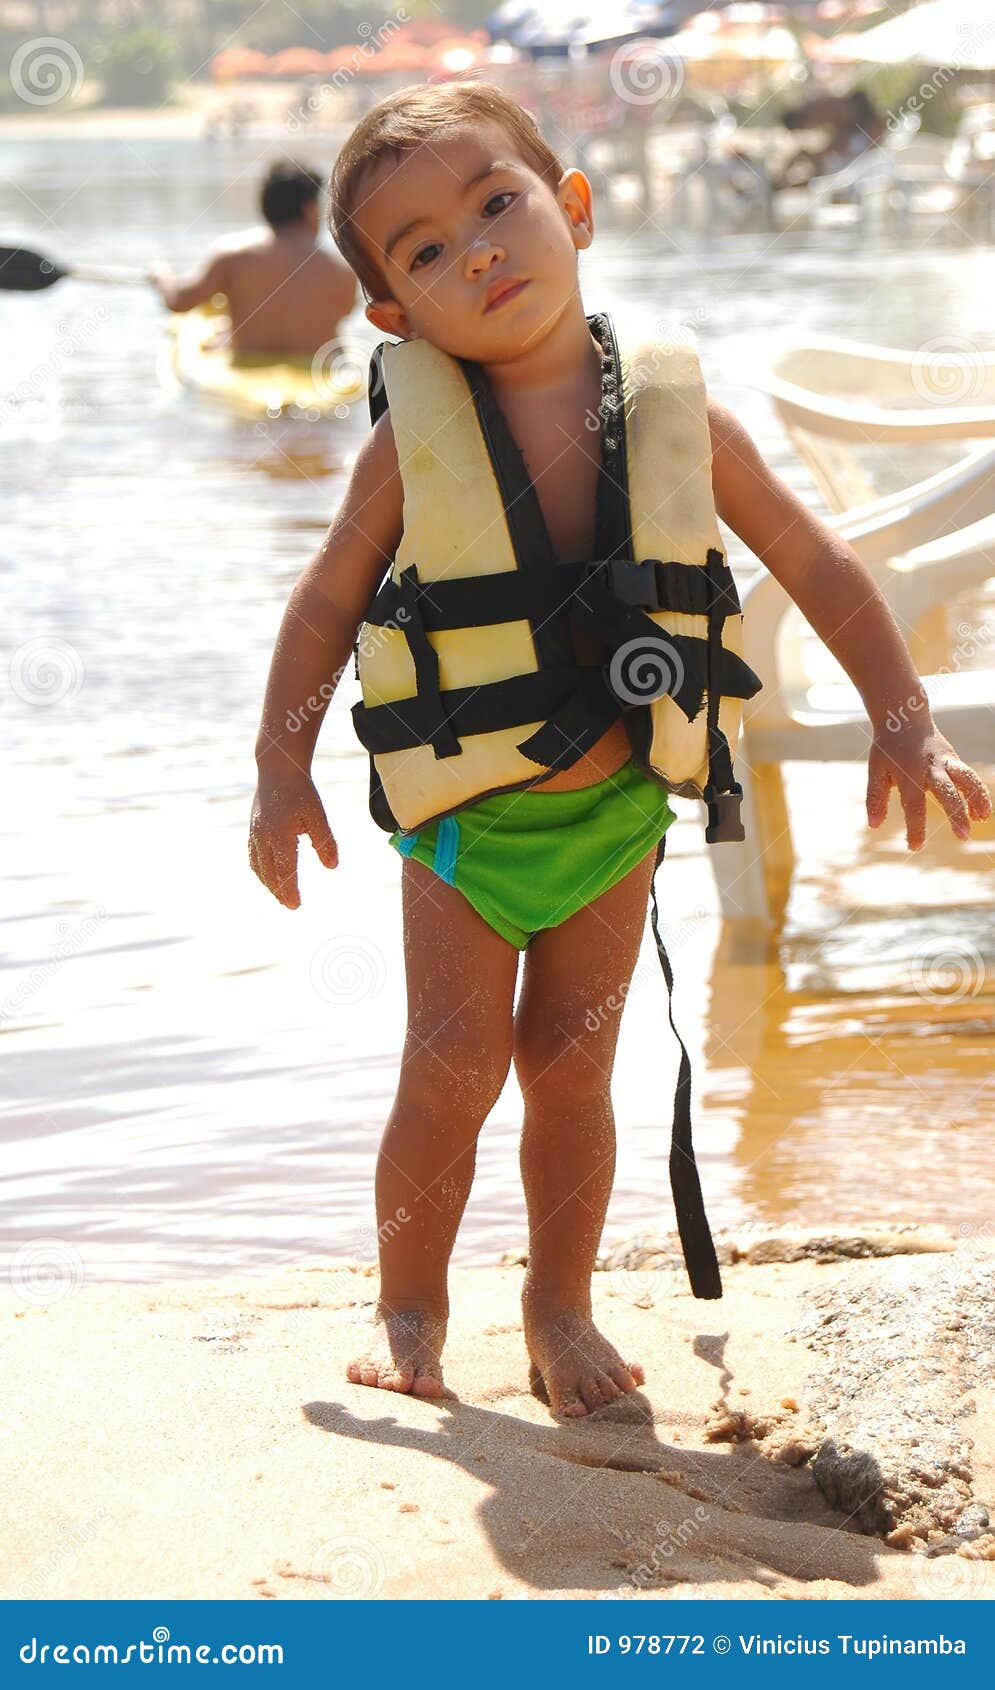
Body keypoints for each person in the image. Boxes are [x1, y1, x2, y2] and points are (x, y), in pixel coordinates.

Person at [247, 83, 991, 1418]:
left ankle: (558, 1303)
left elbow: (815, 562)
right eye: (422, 249)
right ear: (391, 316)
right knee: (449, 1064)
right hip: (467, 827)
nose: (474, 246)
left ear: (569, 207)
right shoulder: (407, 450)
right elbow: (319, 606)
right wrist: (277, 768)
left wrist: (898, 710)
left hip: (612, 829)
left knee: (573, 1070)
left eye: (496, 202)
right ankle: (409, 1302)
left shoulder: (672, 419)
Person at [149, 159, 357, 355]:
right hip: (315, 378)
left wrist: (161, 276)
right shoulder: (342, 271)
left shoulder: (231, 256)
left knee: (223, 335)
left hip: (247, 371)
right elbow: (343, 310)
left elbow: (178, 301)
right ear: (309, 209)